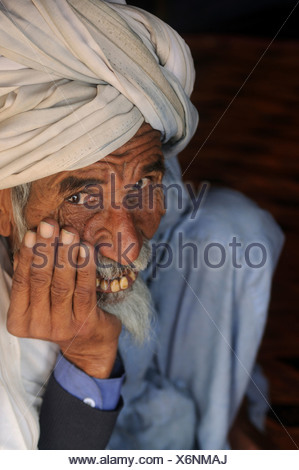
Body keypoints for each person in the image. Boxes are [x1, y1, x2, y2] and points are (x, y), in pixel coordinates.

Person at [0, 0, 283, 450]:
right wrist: (89, 355)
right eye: (81, 197)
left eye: (141, 188)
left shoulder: (131, 163)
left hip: (155, 393)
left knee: (231, 229)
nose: (129, 243)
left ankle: (213, 434)